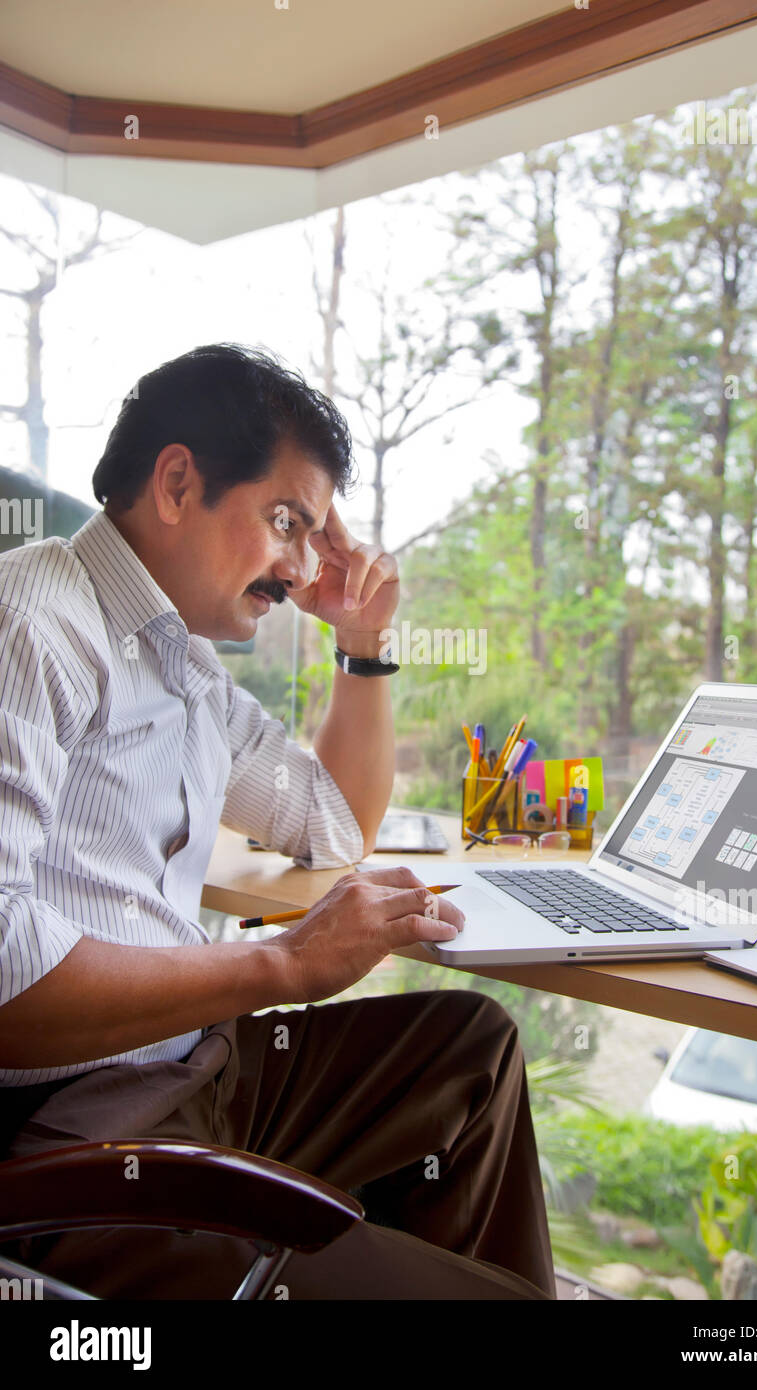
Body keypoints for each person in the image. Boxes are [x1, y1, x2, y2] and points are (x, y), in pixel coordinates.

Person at [0, 344, 556, 1300]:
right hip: (73, 1128)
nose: (302, 567)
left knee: (471, 1047)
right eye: (286, 521)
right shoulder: (31, 625)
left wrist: (364, 641)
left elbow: (332, 824)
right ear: (177, 483)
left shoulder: (183, 665)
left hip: (194, 1070)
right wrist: (282, 964)